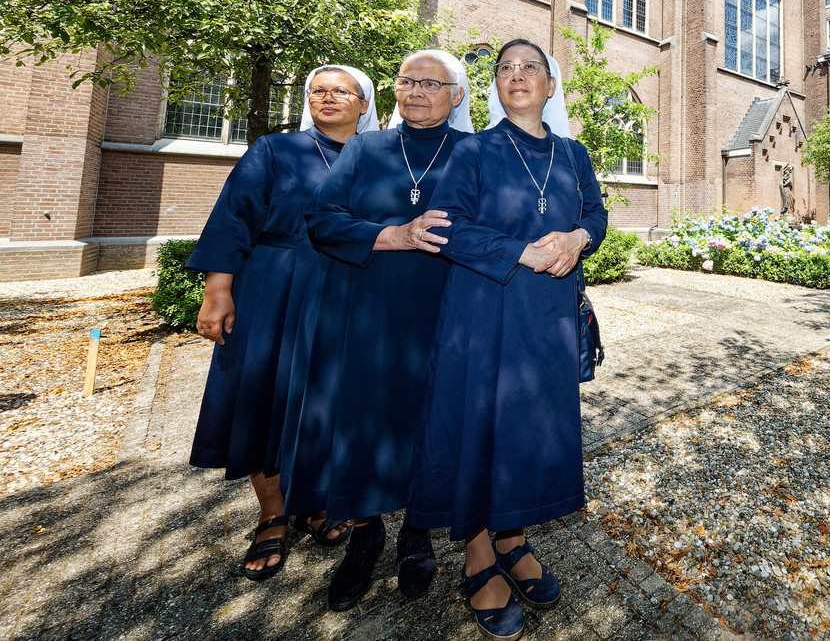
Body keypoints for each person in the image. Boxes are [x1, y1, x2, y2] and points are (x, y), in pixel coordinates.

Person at [407, 39, 608, 641]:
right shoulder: (474, 150)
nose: (516, 76)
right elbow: (447, 228)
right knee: (477, 426)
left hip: (546, 316)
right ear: (495, 87)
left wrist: (577, 240)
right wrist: (520, 250)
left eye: (530, 68)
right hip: (483, 309)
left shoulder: (573, 155)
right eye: (505, 70)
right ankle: (475, 554)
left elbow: (596, 216)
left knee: (528, 425)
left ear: (551, 85)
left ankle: (514, 537)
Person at [277, 49, 472, 611]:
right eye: (407, 81)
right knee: (363, 418)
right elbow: (321, 218)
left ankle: (417, 532)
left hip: (444, 308)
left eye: (431, 83)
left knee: (429, 421)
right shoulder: (366, 147)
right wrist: (395, 235)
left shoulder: (474, 151)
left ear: (456, 96)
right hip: (367, 306)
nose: (415, 91)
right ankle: (366, 535)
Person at [187, 64, 379, 581]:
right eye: (318, 90)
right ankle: (273, 513)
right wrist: (218, 289)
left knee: (325, 399)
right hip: (274, 286)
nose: (327, 97)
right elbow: (234, 217)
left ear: (365, 104)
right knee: (265, 395)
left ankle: (315, 501)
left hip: (344, 294)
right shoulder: (274, 150)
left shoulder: (378, 158)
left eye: (342, 91)